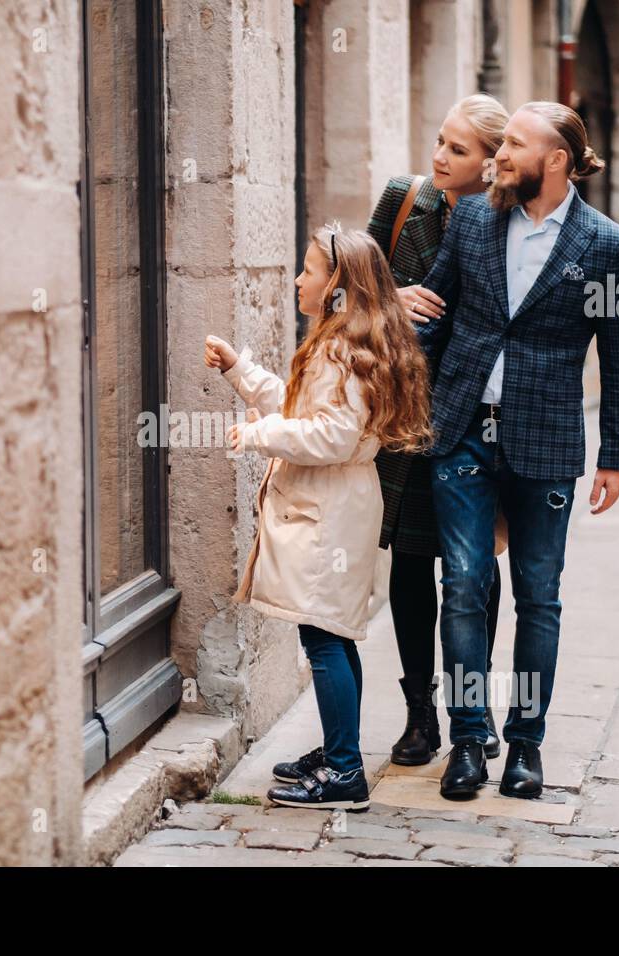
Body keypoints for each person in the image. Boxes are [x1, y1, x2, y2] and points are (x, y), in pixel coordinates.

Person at [401, 102, 619, 799]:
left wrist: (616, 455)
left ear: (557, 160)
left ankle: (526, 745)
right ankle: (469, 742)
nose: (499, 155)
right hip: (464, 429)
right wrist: (397, 315)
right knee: (466, 585)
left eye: (513, 145)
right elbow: (431, 311)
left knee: (539, 598)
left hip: (548, 440)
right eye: (499, 143)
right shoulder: (474, 219)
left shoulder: (605, 246)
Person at [205, 224, 432, 810]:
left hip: (331, 512)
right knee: (331, 634)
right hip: (334, 506)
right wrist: (239, 371)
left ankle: (344, 771)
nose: (299, 278)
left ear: (337, 285)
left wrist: (259, 434)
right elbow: (299, 406)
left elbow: (333, 435)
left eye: (308, 269)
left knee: (325, 640)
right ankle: (340, 749)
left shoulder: (341, 350)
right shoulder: (342, 342)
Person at [366, 93, 509, 768]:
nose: (440, 157)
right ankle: (420, 714)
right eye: (440, 141)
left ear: (491, 164)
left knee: (476, 571)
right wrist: (388, 298)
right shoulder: (403, 202)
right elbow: (342, 292)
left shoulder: (509, 224)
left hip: (479, 421)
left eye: (459, 149)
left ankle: (471, 717)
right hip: (406, 420)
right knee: (412, 562)